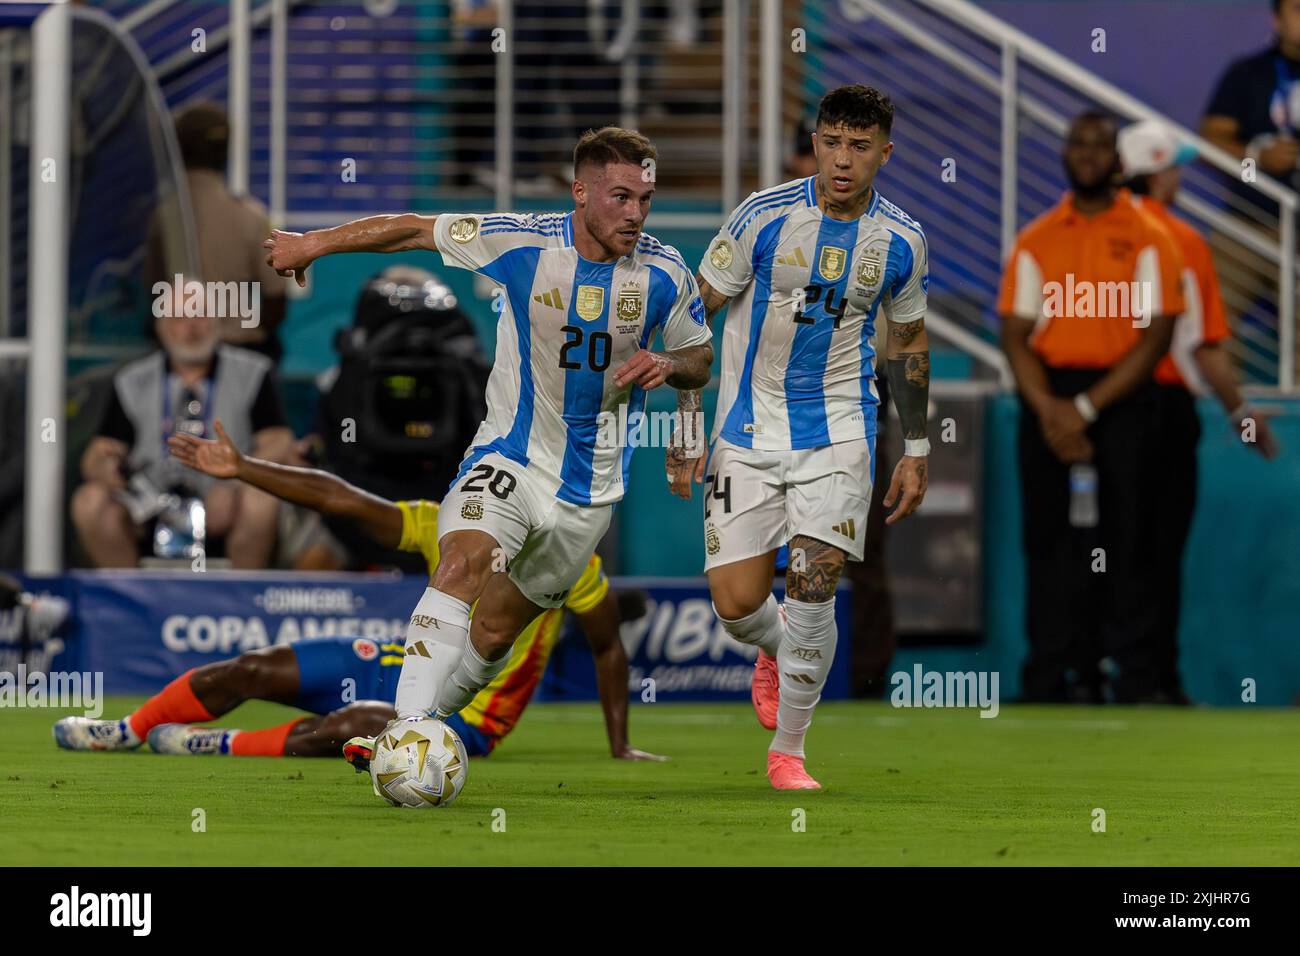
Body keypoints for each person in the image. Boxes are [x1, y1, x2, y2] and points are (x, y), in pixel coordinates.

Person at [263, 127, 713, 751]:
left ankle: (408, 727)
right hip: (512, 457)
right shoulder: (520, 243)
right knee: (461, 562)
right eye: (619, 197)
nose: (635, 213)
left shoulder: (664, 273)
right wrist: (315, 242)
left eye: (645, 198)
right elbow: (412, 228)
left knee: (495, 635)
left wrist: (670, 369)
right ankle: (411, 738)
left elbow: (700, 356)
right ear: (580, 192)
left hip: (590, 492)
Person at [53, 420, 664, 761]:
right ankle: (129, 730)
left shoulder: (571, 559)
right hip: (396, 664)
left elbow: (607, 647)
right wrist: (244, 469)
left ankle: (214, 744)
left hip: (470, 719)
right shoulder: (448, 522)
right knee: (249, 669)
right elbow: (337, 497)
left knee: (353, 724)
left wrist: (620, 746)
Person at [667, 85, 931, 790]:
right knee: (734, 604)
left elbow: (908, 342)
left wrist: (918, 447)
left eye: (860, 146)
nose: (843, 160)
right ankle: (773, 648)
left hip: (842, 429)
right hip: (747, 432)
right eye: (832, 142)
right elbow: (693, 322)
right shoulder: (762, 216)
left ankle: (789, 752)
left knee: (815, 585)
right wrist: (687, 426)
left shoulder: (902, 240)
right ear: (816, 141)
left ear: (885, 152)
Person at [998, 110, 1184, 704]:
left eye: (1098, 146)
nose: (1085, 154)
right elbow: (1014, 335)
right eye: (1076, 144)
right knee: (1049, 539)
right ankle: (1052, 674)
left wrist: (1087, 408)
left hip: (1123, 397)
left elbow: (1156, 335)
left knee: (1126, 540)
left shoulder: (1151, 235)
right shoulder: (1037, 237)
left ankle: (1130, 676)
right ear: (1063, 153)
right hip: (1048, 395)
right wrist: (1054, 410)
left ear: (1117, 160)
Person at [1117, 119, 1281, 701]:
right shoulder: (1181, 241)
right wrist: (1242, 414)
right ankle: (1152, 678)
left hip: (1096, 402)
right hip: (1161, 407)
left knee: (1104, 546)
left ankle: (1099, 671)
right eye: (1173, 166)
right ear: (1160, 171)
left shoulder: (1095, 233)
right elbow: (1204, 347)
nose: (1179, 176)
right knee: (1158, 550)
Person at [70, 307, 292, 569]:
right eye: (180, 318)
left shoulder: (252, 372)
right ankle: (130, 600)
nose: (192, 327)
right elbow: (99, 452)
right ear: (161, 327)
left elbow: (279, 441)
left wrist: (237, 480)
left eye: (201, 316)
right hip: (149, 506)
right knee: (90, 500)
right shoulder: (133, 379)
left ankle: (244, 599)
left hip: (225, 503)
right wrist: (108, 470)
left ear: (217, 323)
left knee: (261, 499)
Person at [147, 103, 290, 362]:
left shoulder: (163, 216)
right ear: (225, 153)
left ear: (178, 150)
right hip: (241, 349)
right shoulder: (251, 215)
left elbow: (151, 295)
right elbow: (276, 300)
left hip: (177, 355)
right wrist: (248, 330)